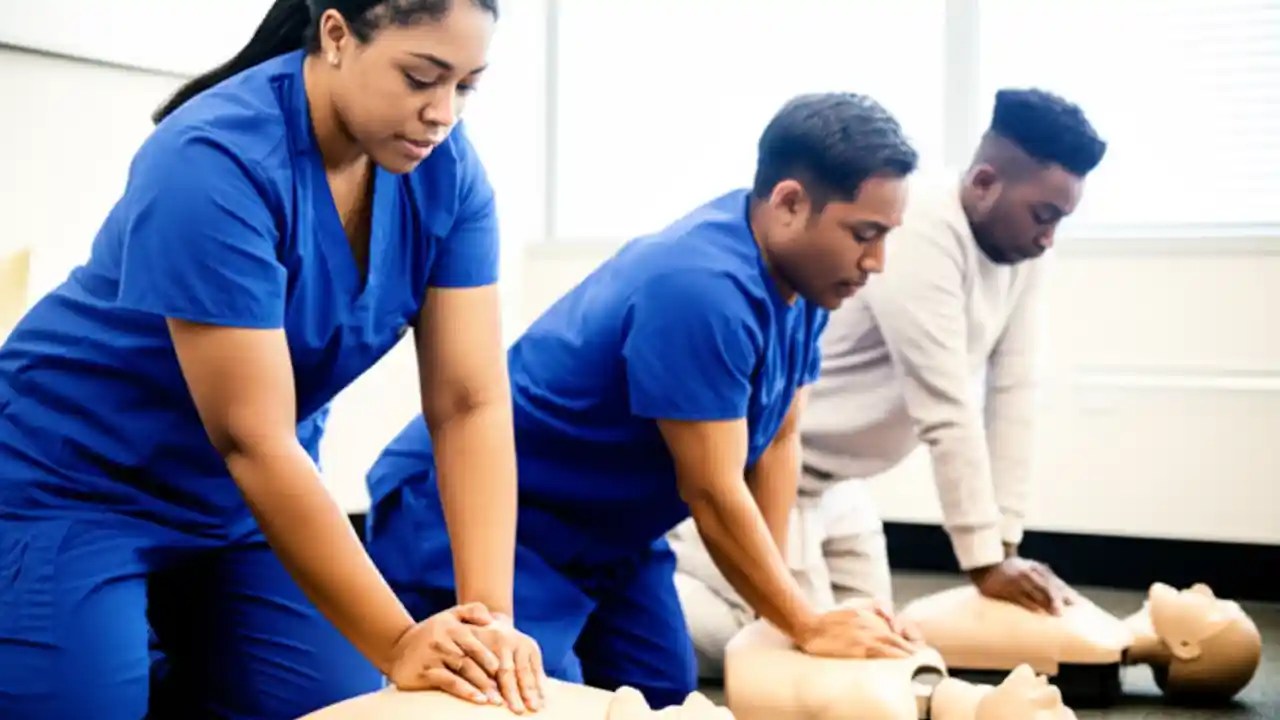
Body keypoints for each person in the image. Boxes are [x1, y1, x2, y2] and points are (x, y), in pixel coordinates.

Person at [0, 1, 545, 717]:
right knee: (88, 705)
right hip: (70, 481)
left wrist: (487, 621)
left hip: (238, 508)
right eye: (420, 77)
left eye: (466, 86)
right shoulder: (213, 157)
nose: (442, 113)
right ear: (337, 35)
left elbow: (468, 401)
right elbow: (252, 438)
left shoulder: (446, 174)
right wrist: (397, 642)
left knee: (330, 706)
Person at [364, 91, 922, 710]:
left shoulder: (811, 285)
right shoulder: (702, 288)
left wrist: (775, 609)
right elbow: (711, 490)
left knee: (664, 693)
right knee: (540, 697)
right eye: (864, 234)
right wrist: (805, 621)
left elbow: (778, 441)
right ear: (790, 202)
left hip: (613, 535)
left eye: (885, 238)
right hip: (472, 513)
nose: (875, 262)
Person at [669, 87, 1109, 679]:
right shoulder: (916, 231)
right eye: (1043, 215)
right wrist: (982, 563)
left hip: (839, 489)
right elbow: (946, 407)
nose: (1049, 236)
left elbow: (1013, 392)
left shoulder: (1025, 254)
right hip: (774, 475)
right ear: (983, 182)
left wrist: (1005, 545)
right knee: (783, 651)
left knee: (881, 642)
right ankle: (652, 577)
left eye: (1060, 220)